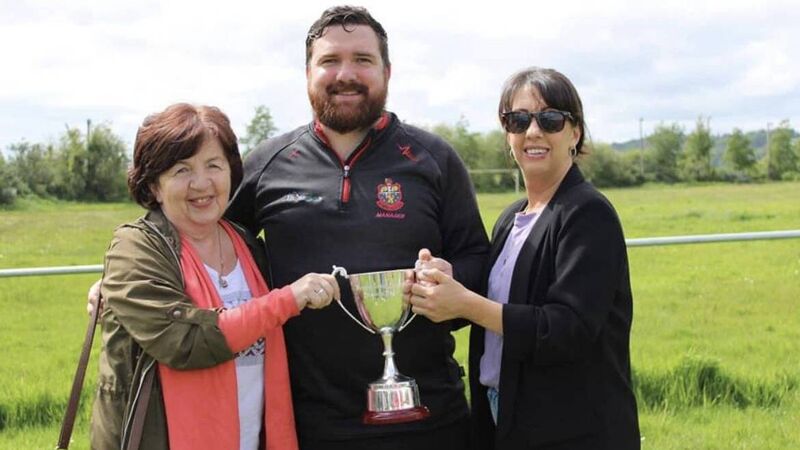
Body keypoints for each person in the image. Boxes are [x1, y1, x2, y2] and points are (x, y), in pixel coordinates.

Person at [225, 6, 489, 450]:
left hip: (429, 421)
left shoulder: (433, 159)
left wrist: (451, 281)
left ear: (386, 71)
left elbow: (479, 264)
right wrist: (132, 276)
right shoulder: (265, 166)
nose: (345, 74)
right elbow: (202, 246)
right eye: (330, 61)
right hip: (306, 425)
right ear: (307, 73)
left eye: (362, 60)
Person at [408, 67, 641, 449]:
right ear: (508, 136)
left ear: (575, 133)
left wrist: (466, 303)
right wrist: (449, 281)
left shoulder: (587, 214)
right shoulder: (511, 218)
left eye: (550, 119)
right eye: (518, 120)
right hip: (506, 418)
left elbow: (567, 328)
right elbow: (502, 299)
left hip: (572, 429)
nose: (533, 131)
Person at [90, 103, 340, 450]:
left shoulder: (249, 244)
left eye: (213, 165)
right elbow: (185, 341)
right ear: (154, 186)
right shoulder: (135, 247)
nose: (201, 183)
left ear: (231, 173)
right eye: (181, 170)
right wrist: (287, 299)